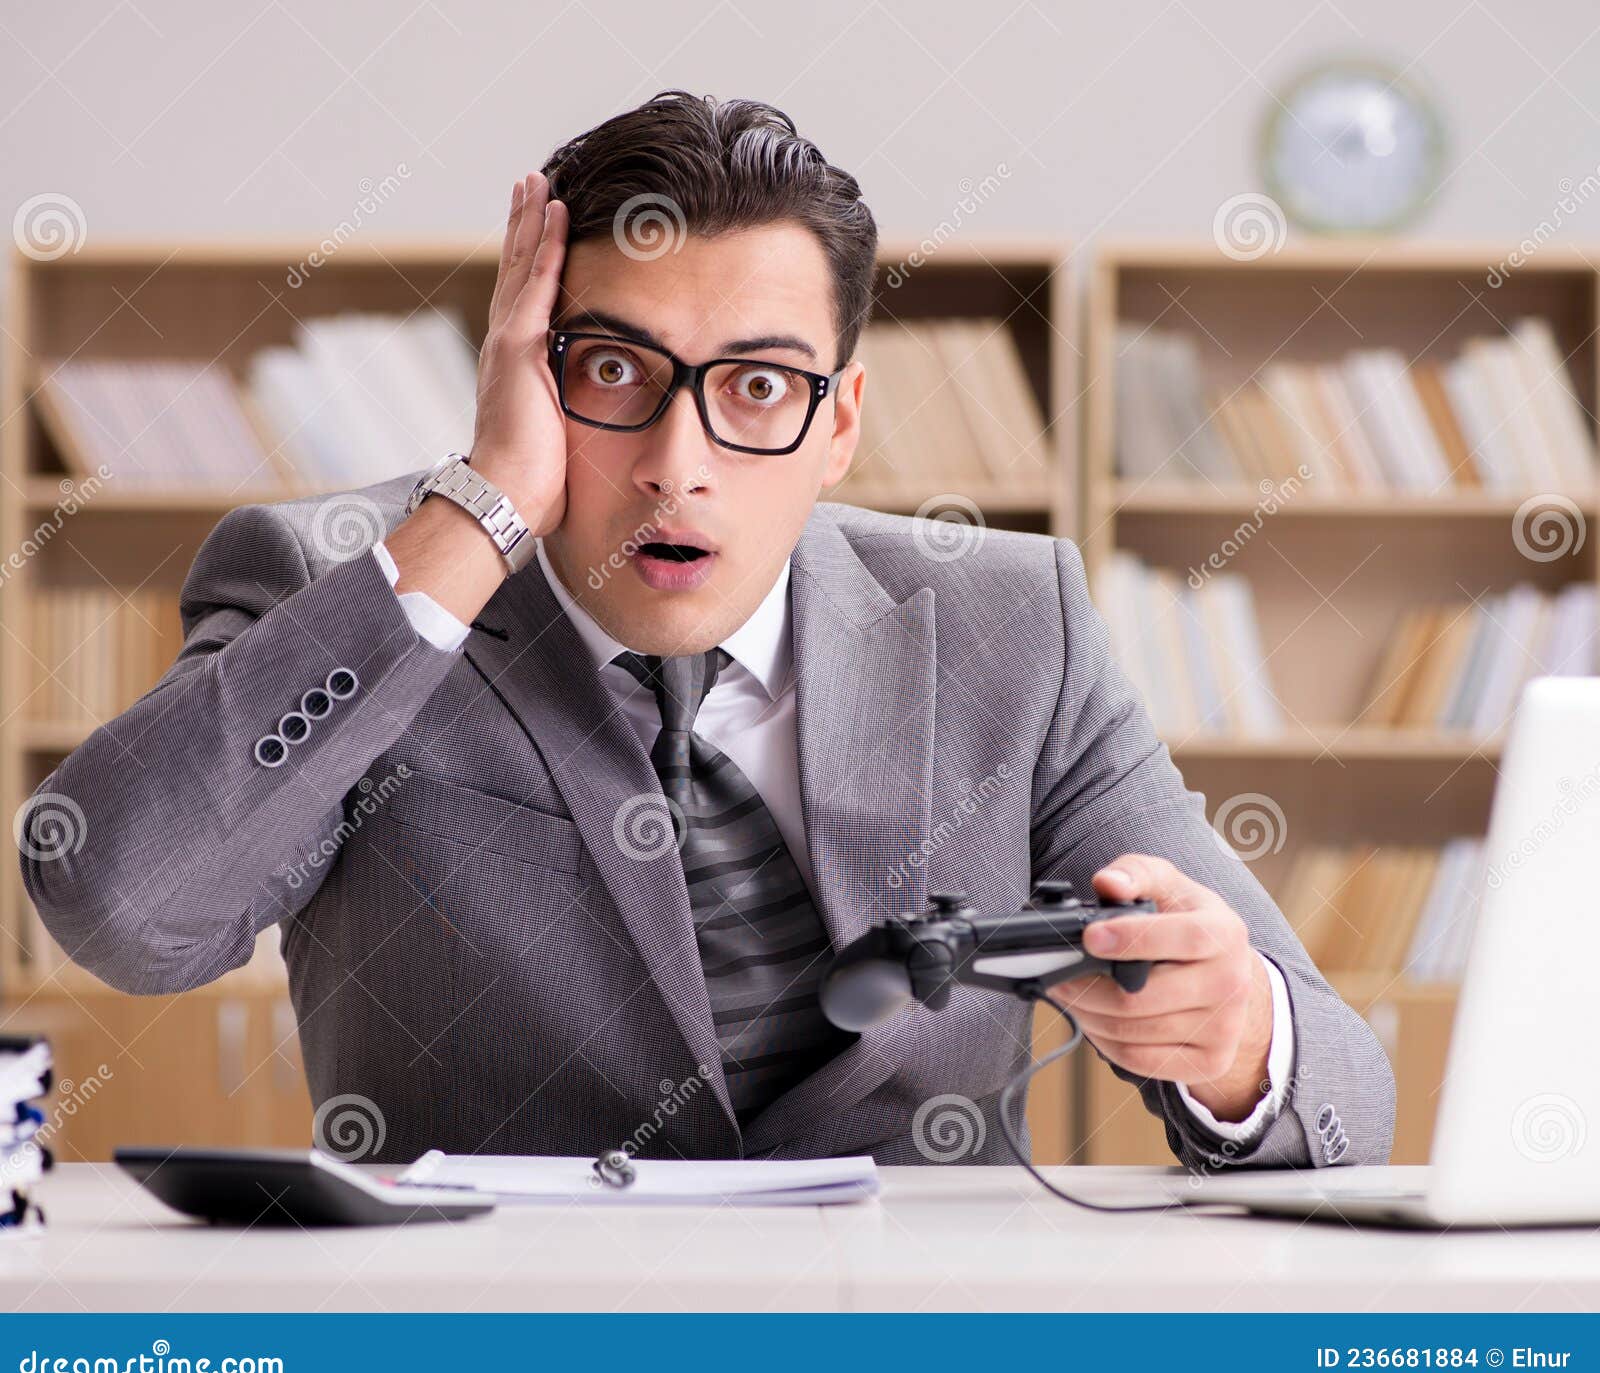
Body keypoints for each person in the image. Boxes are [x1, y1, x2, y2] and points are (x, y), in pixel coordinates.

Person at [21, 91, 1393, 1168]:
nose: (680, 462)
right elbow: (125, 911)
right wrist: (481, 510)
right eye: (613, 371)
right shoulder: (353, 593)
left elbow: (1349, 1094)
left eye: (756, 387)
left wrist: (1234, 1042)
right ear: (523, 375)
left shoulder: (1005, 628)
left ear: (840, 423)